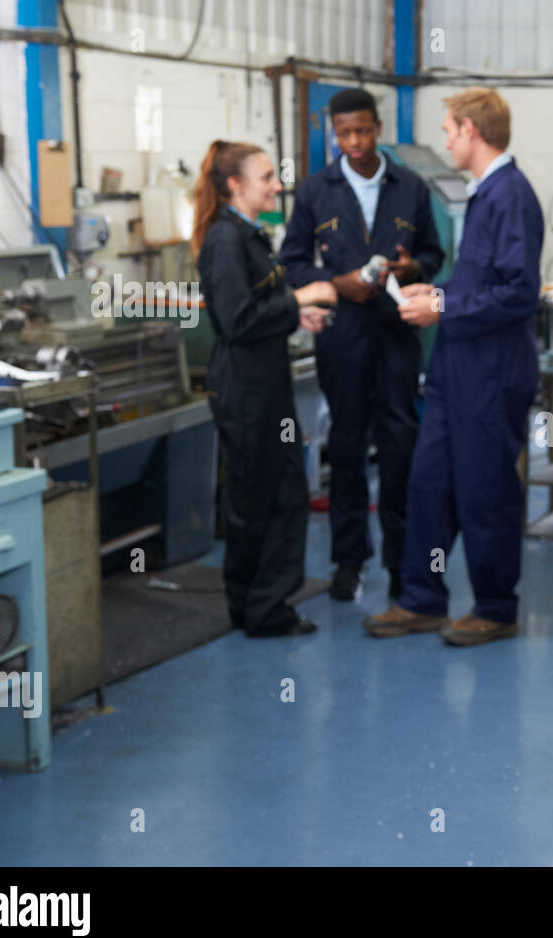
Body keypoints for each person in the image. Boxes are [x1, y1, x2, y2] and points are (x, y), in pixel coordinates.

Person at [363, 88, 543, 646]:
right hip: (454, 368)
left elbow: (518, 293)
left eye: (447, 129)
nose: (443, 140)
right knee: (430, 484)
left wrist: (442, 306)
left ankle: (495, 607)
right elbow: (480, 284)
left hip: (490, 373)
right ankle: (422, 598)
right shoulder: (483, 194)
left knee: (485, 490)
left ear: (470, 129)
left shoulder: (510, 195)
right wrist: (434, 291)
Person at [279, 88, 444, 603]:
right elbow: (292, 263)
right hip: (342, 339)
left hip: (397, 338)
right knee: (347, 449)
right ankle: (348, 562)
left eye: (363, 131)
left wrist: (410, 268)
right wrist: (336, 283)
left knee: (400, 449)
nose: (354, 141)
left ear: (378, 129)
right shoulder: (314, 191)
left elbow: (433, 256)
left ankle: (401, 563)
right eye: (344, 133)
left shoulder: (411, 187)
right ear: (334, 133)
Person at [193, 140, 336, 636]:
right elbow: (236, 320)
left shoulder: (251, 236)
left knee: (282, 493)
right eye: (267, 177)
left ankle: (262, 605)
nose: (278, 185)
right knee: (259, 500)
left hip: (266, 389)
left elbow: (261, 310)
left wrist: (299, 313)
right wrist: (302, 296)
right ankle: (259, 608)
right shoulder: (225, 241)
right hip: (247, 394)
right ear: (235, 185)